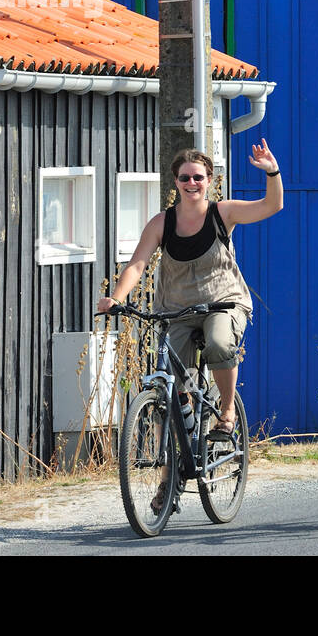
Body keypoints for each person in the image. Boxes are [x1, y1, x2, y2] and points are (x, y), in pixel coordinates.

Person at [99, 140, 282, 469]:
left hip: (223, 304)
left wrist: (272, 172)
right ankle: (171, 474)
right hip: (177, 310)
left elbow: (271, 206)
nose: (191, 184)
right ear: (176, 182)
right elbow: (137, 265)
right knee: (169, 383)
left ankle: (226, 413)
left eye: (198, 177)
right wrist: (117, 298)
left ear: (209, 180)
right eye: (185, 178)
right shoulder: (161, 223)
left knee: (218, 343)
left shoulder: (223, 213)